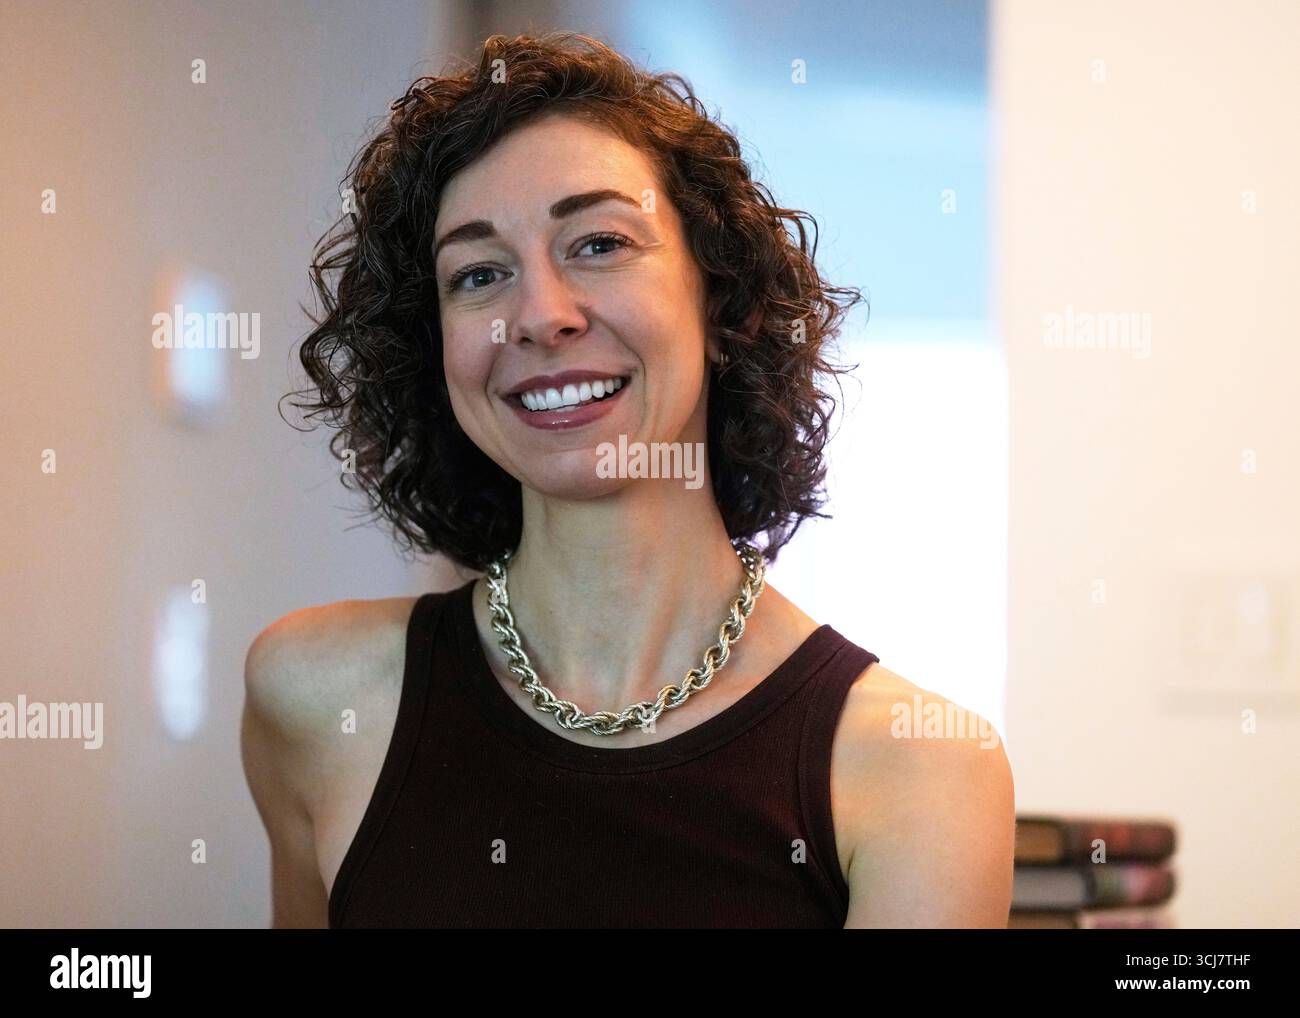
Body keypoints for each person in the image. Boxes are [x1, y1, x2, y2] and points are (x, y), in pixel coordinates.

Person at [239, 31, 1015, 929]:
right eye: (479, 273)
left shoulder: (916, 771)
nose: (539, 316)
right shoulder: (314, 694)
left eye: (599, 243)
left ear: (720, 305)